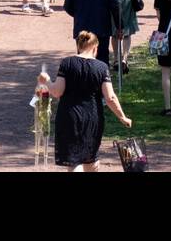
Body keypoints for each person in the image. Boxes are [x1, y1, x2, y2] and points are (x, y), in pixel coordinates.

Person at [37, 31, 133, 171]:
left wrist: (47, 81)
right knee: (90, 159)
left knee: (74, 161)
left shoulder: (67, 63)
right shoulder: (101, 67)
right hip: (92, 118)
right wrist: (122, 117)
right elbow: (110, 97)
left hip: (69, 117)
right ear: (95, 48)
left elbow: (57, 91)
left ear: (78, 46)